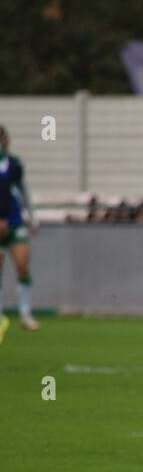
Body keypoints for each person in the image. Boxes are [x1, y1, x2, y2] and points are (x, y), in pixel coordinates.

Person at [0, 125, 39, 335]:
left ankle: (25, 314)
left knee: (23, 264)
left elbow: (23, 190)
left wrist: (32, 216)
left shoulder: (14, 164)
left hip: (15, 222)